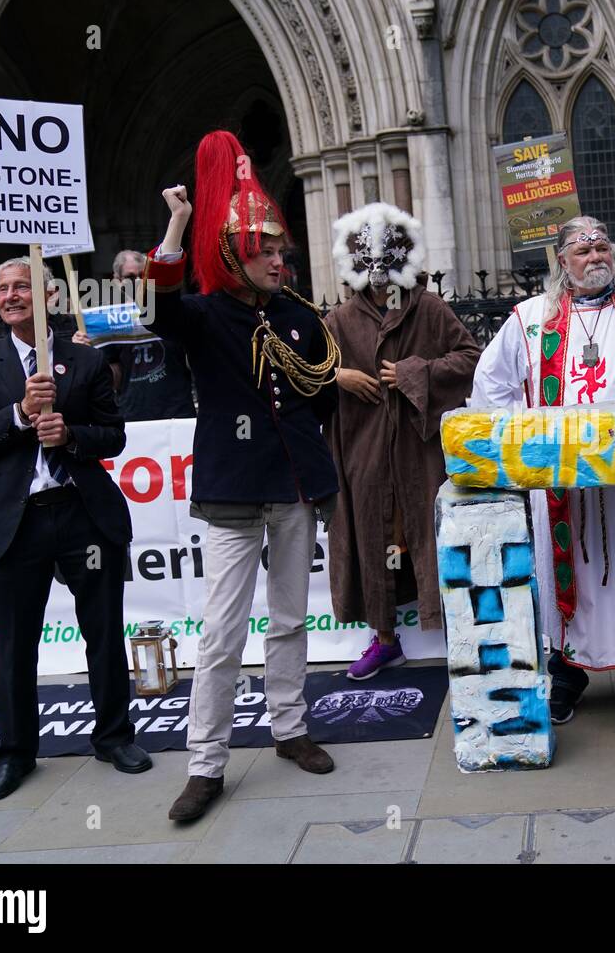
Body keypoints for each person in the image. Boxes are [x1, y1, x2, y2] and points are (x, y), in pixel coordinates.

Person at [142, 130, 343, 822]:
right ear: (235, 253)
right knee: (222, 632)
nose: (278, 259)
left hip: (292, 484)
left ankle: (289, 730)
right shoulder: (203, 313)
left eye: (282, 249)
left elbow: (319, 397)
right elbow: (157, 307)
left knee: (289, 618)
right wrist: (178, 221)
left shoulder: (299, 317)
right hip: (232, 489)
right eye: (266, 250)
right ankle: (206, 764)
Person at [471, 215, 615, 724]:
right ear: (562, 261)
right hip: (563, 491)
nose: (596, 257)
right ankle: (566, 673)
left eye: (602, 247)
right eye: (583, 251)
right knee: (565, 574)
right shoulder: (530, 319)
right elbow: (491, 388)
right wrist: (527, 439)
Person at [0, 257, 149, 801]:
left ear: (49, 298)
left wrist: (72, 436)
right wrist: (19, 412)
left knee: (104, 633)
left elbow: (114, 436)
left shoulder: (83, 362)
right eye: (3, 288)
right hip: (14, 524)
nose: (11, 295)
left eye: (22, 286)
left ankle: (113, 737)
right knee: (16, 643)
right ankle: (16, 754)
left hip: (82, 513)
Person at [324, 203, 480, 679]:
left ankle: (459, 637)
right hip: (364, 452)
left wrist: (417, 372)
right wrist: (340, 376)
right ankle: (385, 639)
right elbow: (303, 376)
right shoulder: (338, 320)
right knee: (373, 541)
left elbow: (472, 356)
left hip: (420, 452)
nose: (377, 278)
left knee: (432, 539)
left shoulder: (429, 308)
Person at [104, 250, 197, 421]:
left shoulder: (174, 310)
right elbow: (113, 381)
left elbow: (194, 363)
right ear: (117, 282)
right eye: (131, 277)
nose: (138, 281)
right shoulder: (108, 321)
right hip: (133, 416)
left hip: (177, 414)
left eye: (143, 275)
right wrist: (89, 351)